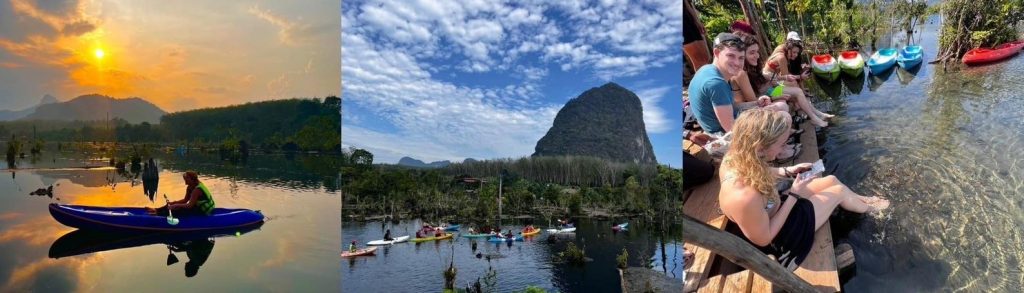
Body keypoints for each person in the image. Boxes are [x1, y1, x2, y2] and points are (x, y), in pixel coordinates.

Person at [717, 109, 889, 270]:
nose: (783, 148)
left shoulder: (735, 157)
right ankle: (873, 210)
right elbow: (765, 239)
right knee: (838, 193)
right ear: (761, 147)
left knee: (831, 180)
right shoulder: (744, 197)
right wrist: (794, 195)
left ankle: (863, 200)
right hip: (781, 235)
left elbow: (754, 170)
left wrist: (786, 171)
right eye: (781, 144)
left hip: (772, 208)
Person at [733, 35, 832, 128]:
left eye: (757, 52)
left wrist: (781, 80)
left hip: (768, 89)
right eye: (752, 52)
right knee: (795, 90)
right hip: (762, 98)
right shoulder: (742, 73)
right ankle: (814, 116)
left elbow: (769, 77)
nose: (757, 56)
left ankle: (817, 114)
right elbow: (756, 101)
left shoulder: (752, 67)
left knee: (796, 90)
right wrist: (776, 95)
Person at [689, 33, 777, 135]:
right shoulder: (721, 81)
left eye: (741, 58)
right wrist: (772, 95)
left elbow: (729, 105)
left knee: (782, 102)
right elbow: (731, 129)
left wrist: (757, 103)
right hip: (721, 134)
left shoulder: (709, 70)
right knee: (782, 110)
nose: (737, 63)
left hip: (724, 122)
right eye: (731, 56)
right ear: (717, 53)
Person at [146, 171, 215, 216]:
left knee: (178, 209)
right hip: (196, 206)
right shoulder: (190, 187)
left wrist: (176, 205)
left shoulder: (197, 190)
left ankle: (158, 214)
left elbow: (189, 205)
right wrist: (173, 203)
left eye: (186, 180)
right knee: (171, 204)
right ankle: (157, 210)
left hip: (202, 211)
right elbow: (185, 200)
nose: (185, 182)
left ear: (192, 179)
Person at [683, 0, 711, 70]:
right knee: (698, 60)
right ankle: (703, 80)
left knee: (706, 58)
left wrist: (697, 22)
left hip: (690, 21)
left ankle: (705, 79)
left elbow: (687, 5)